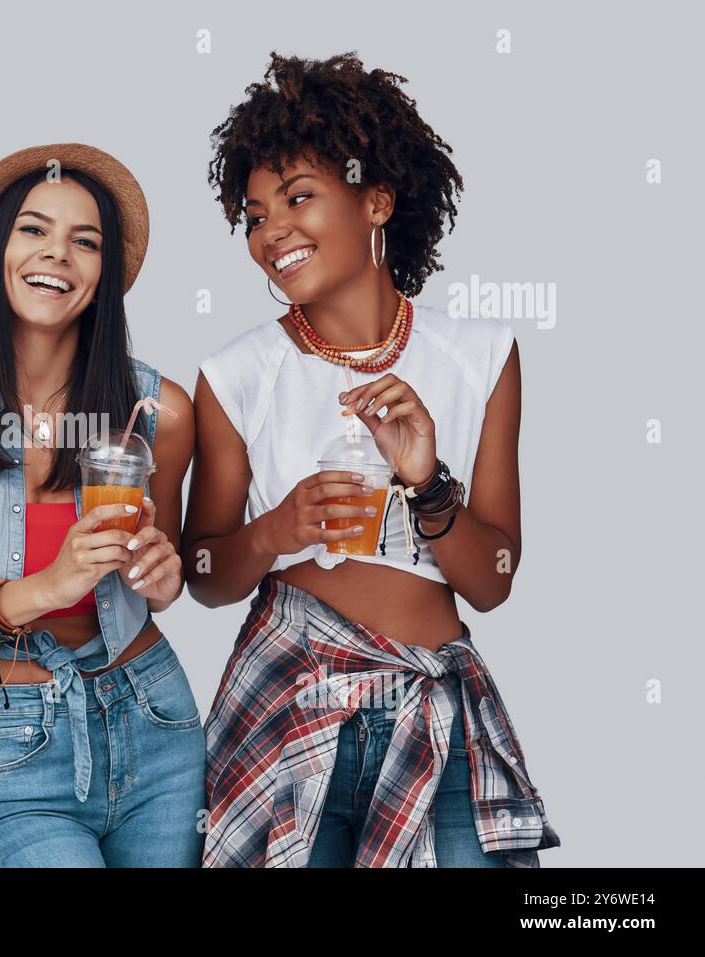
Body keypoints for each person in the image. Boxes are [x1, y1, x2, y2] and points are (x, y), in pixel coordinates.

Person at [185, 53, 560, 867]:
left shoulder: (482, 356)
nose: (271, 231)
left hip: (435, 703)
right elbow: (205, 572)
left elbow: (492, 580)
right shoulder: (234, 374)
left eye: (298, 197)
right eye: (253, 215)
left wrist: (427, 483)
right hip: (289, 697)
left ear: (377, 199)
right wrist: (276, 529)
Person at [0, 143, 205, 866]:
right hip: (10, 747)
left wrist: (163, 578)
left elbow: (160, 581)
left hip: (156, 719)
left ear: (105, 274)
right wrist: (42, 589)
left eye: (86, 240)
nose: (58, 256)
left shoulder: (157, 408)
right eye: (33, 230)